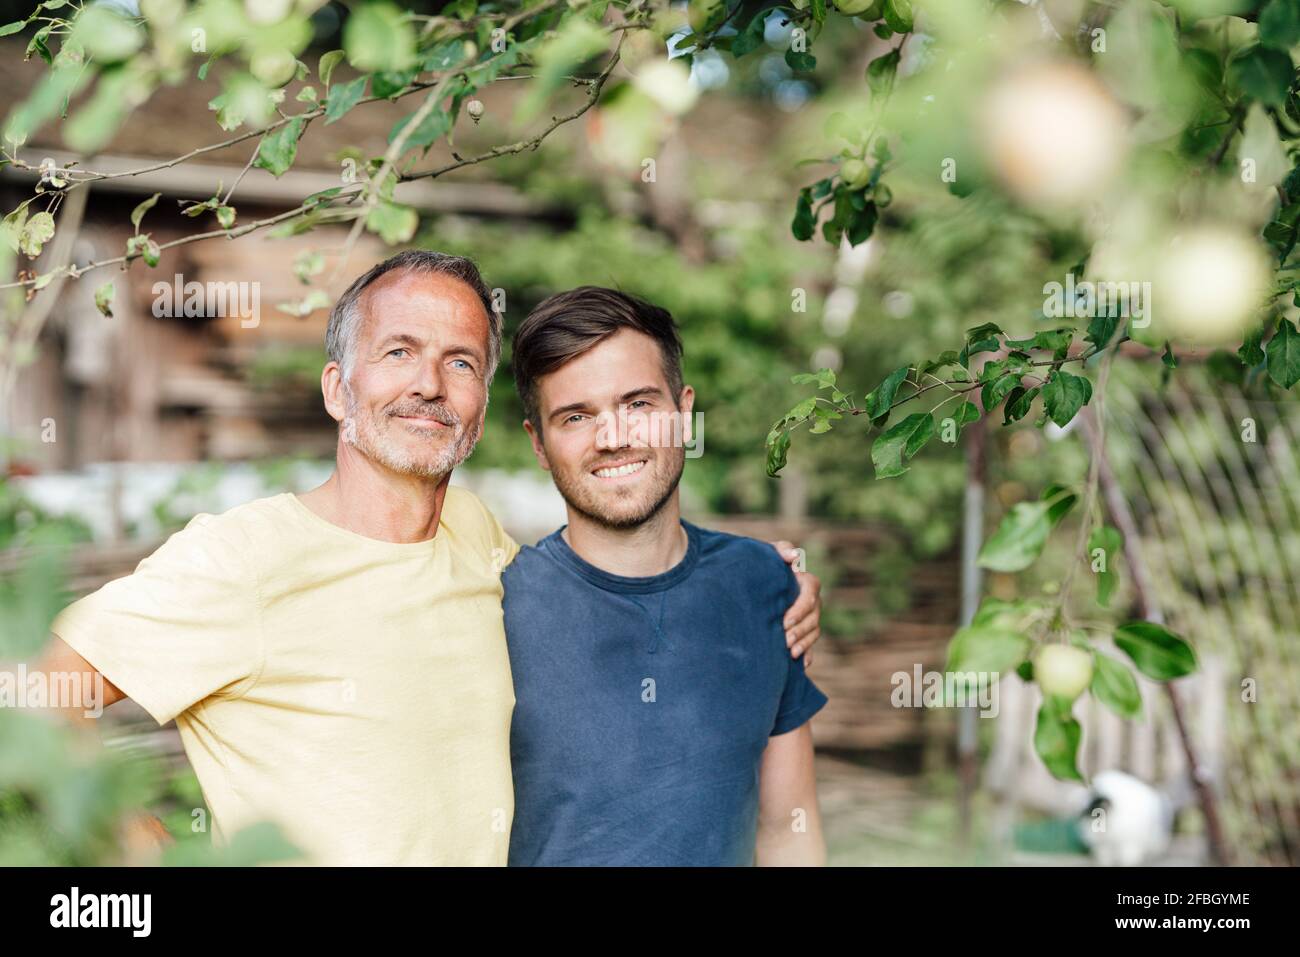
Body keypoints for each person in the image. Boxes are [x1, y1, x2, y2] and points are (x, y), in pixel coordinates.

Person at [23, 251, 822, 865]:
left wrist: (759, 578)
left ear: (481, 407)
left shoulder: (479, 542)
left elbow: (617, 566)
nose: (431, 385)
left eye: (461, 361)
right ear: (338, 389)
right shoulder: (244, 559)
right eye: (399, 352)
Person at [503, 287, 828, 866]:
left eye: (638, 404)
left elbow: (787, 829)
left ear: (683, 412)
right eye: (576, 417)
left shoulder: (764, 584)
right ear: (540, 445)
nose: (614, 437)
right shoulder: (496, 606)